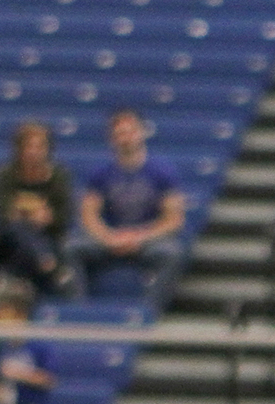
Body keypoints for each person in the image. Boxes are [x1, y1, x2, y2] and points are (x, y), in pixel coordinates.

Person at [66, 110, 187, 307]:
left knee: (172, 253)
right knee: (72, 248)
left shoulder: (163, 172)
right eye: (120, 134)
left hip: (147, 240)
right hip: (109, 239)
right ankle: (79, 309)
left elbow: (174, 220)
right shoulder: (100, 173)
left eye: (130, 132)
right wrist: (109, 237)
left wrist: (138, 236)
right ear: (111, 139)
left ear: (141, 133)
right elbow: (88, 215)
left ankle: (150, 312)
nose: (126, 138)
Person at [0, 190, 72, 303]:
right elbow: (43, 261)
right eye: (42, 209)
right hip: (7, 285)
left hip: (36, 286)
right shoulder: (14, 230)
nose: (48, 212)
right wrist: (47, 264)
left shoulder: (46, 236)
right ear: (28, 213)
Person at [0, 122, 74, 248]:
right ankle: (45, 263)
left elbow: (63, 214)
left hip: (50, 234)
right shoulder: (5, 174)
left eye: (39, 147)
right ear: (19, 149)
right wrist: (29, 218)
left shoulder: (59, 176)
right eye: (28, 146)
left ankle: (44, 261)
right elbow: (3, 212)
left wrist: (48, 218)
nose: (34, 152)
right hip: (12, 237)